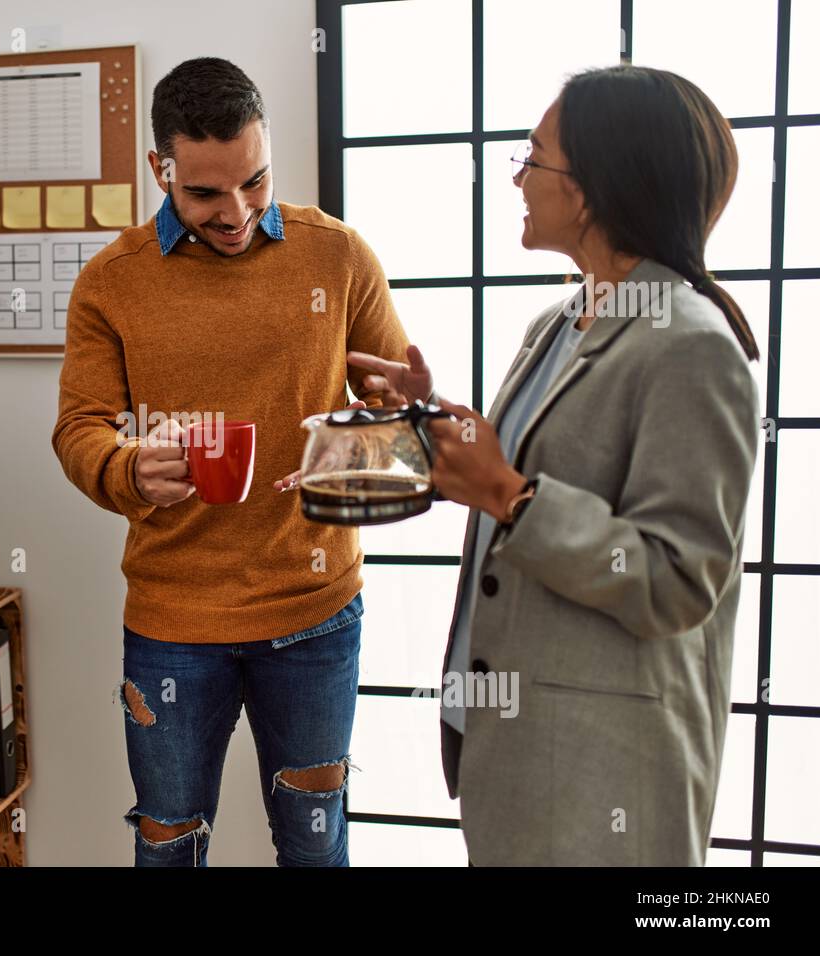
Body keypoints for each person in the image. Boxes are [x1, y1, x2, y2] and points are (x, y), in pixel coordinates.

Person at [350, 65, 759, 865]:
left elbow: (679, 581)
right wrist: (428, 425)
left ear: (591, 188)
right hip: (520, 755)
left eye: (534, 157)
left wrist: (510, 495)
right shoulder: (562, 318)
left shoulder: (692, 346)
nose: (519, 177)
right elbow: (522, 470)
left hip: (605, 775)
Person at [51, 57, 411, 866]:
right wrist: (127, 469)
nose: (239, 212)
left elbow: (397, 432)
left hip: (316, 611)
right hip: (175, 621)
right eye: (208, 194)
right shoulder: (112, 283)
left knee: (316, 849)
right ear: (161, 169)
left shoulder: (338, 256)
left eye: (255, 182)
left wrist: (385, 421)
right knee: (168, 843)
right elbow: (80, 430)